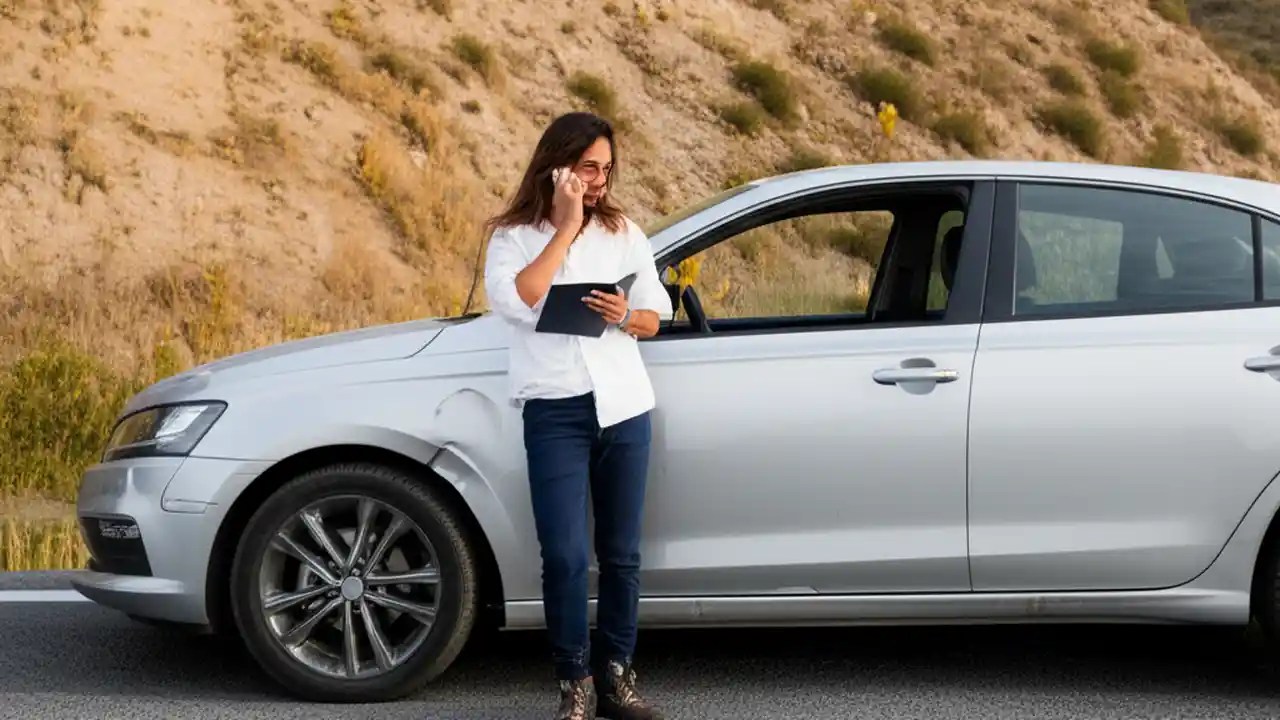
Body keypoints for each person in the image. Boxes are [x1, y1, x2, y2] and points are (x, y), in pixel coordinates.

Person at [482, 111, 672, 720]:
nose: (598, 181)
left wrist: (624, 314)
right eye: (588, 168)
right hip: (554, 410)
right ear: (556, 165)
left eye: (606, 169)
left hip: (624, 406)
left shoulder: (623, 231)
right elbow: (519, 299)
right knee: (563, 555)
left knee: (621, 554)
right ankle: (575, 682)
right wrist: (565, 228)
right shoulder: (512, 237)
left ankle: (617, 679)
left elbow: (655, 316)